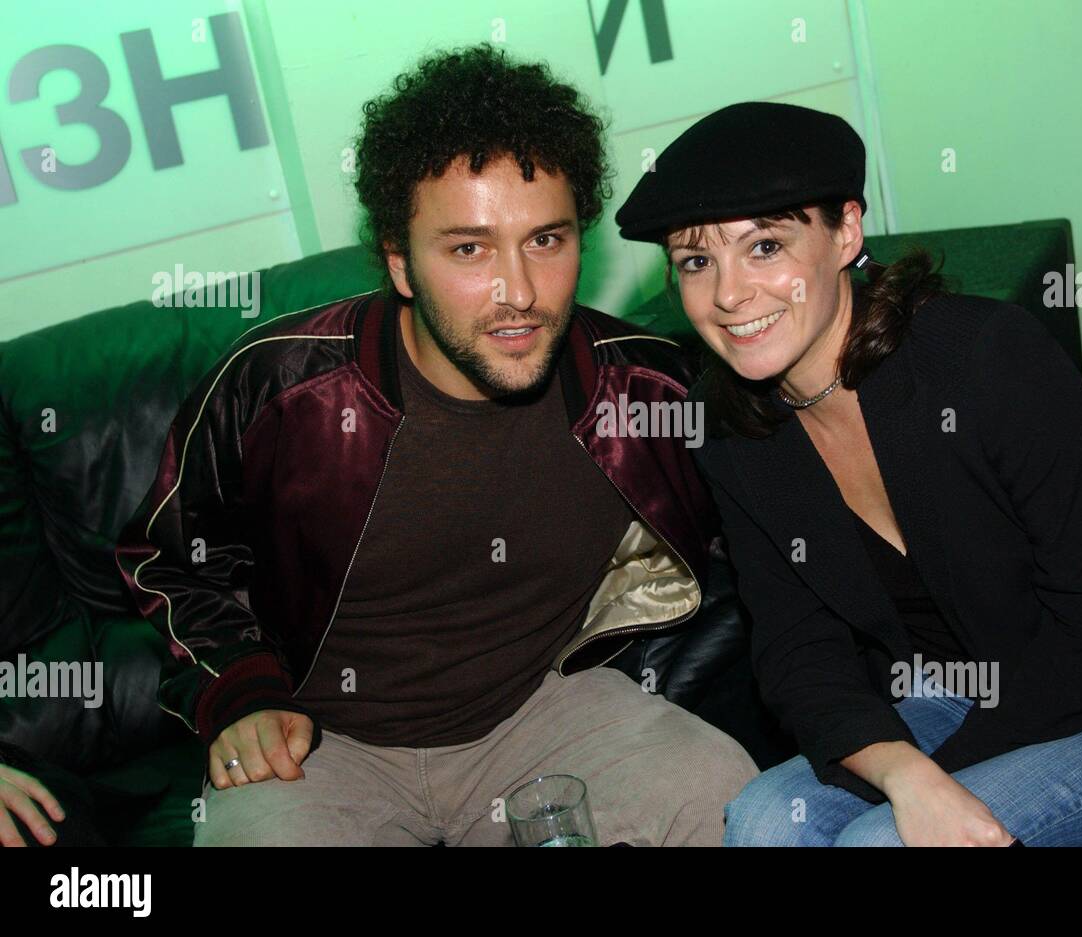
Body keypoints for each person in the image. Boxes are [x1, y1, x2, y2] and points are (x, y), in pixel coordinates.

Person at [114, 44, 756, 847]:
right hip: (323, 745)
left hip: (544, 712)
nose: (517, 291)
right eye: (468, 249)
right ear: (401, 263)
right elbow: (165, 558)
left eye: (546, 241)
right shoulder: (276, 386)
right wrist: (241, 691)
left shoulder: (647, 389)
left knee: (728, 799)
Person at [614, 101, 1082, 846]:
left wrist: (942, 782)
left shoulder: (984, 360)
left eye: (765, 247)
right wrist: (905, 773)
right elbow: (796, 647)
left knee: (882, 843)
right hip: (951, 694)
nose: (728, 294)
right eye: (695, 262)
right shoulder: (732, 421)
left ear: (845, 232)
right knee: (764, 820)